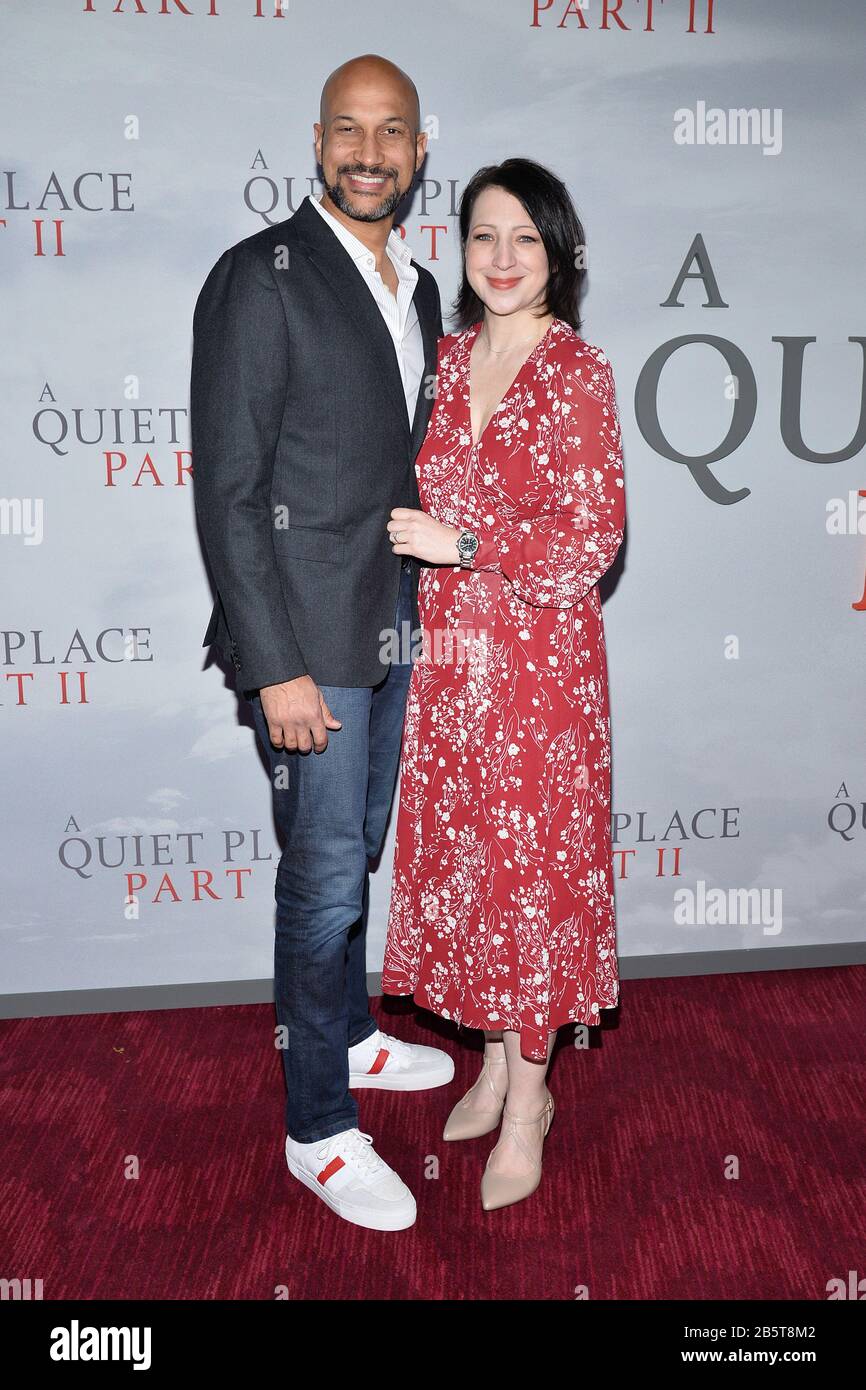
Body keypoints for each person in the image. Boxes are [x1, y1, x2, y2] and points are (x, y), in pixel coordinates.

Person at [190, 54, 454, 1234]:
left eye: (389, 132)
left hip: (390, 624)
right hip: (306, 642)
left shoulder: (422, 289)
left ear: (416, 149)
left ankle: (346, 1038)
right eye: (348, 130)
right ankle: (315, 1128)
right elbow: (231, 493)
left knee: (354, 853)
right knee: (324, 877)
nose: (368, 151)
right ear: (313, 141)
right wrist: (275, 665)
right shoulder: (261, 277)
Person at [381, 157, 626, 1211]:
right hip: (451, 671)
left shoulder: (576, 371)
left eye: (525, 237)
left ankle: (529, 1101)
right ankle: (491, 1061)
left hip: (539, 676)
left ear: (559, 253)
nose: (501, 257)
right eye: (483, 235)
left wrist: (465, 540)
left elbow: (591, 543)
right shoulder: (440, 360)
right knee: (476, 871)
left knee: (532, 882)